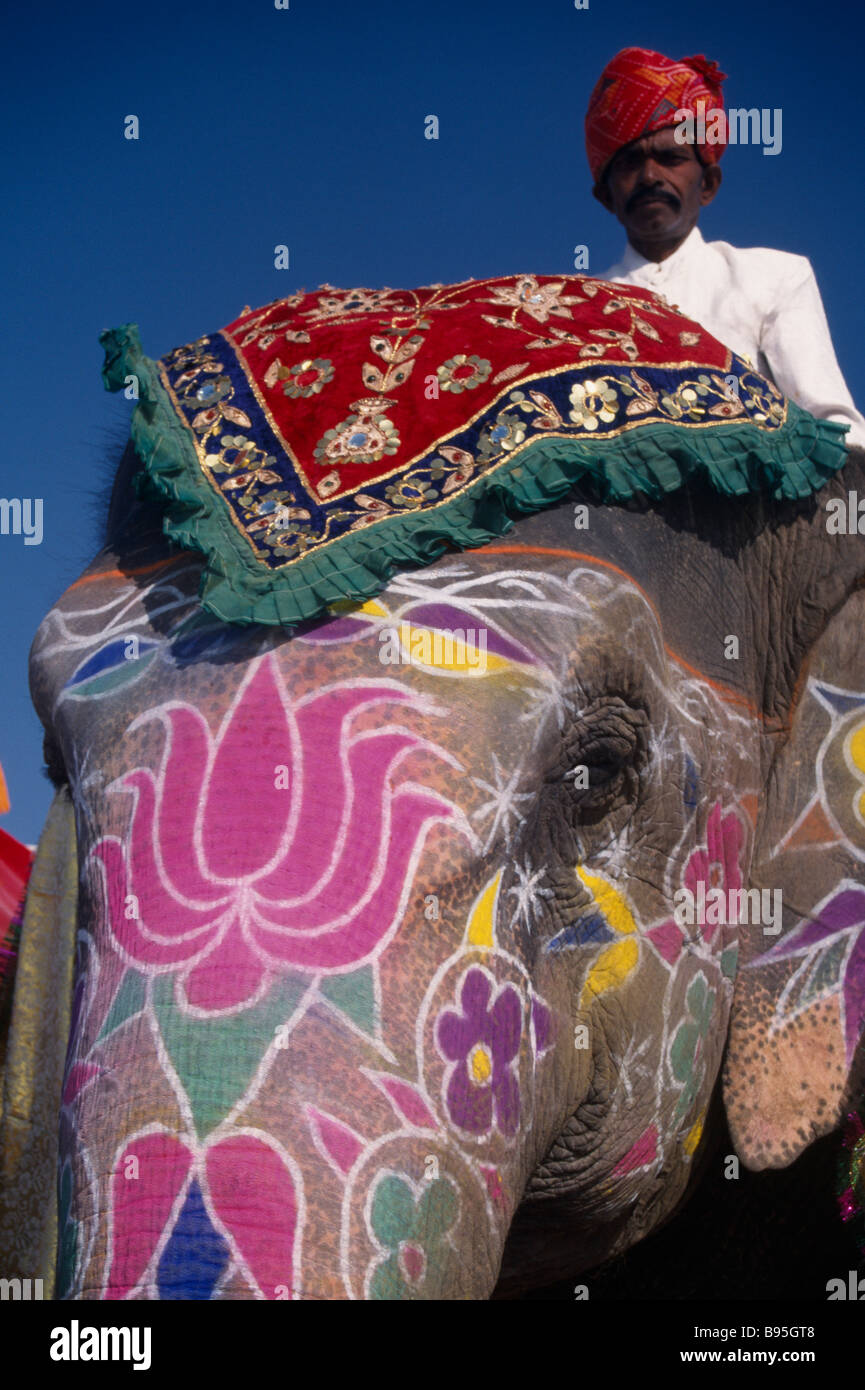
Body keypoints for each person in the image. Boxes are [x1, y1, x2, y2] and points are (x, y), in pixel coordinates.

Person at [586, 46, 865, 447]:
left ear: (709, 184)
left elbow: (838, 429)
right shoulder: (581, 307)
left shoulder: (774, 277)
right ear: (606, 196)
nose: (649, 176)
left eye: (670, 158)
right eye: (631, 163)